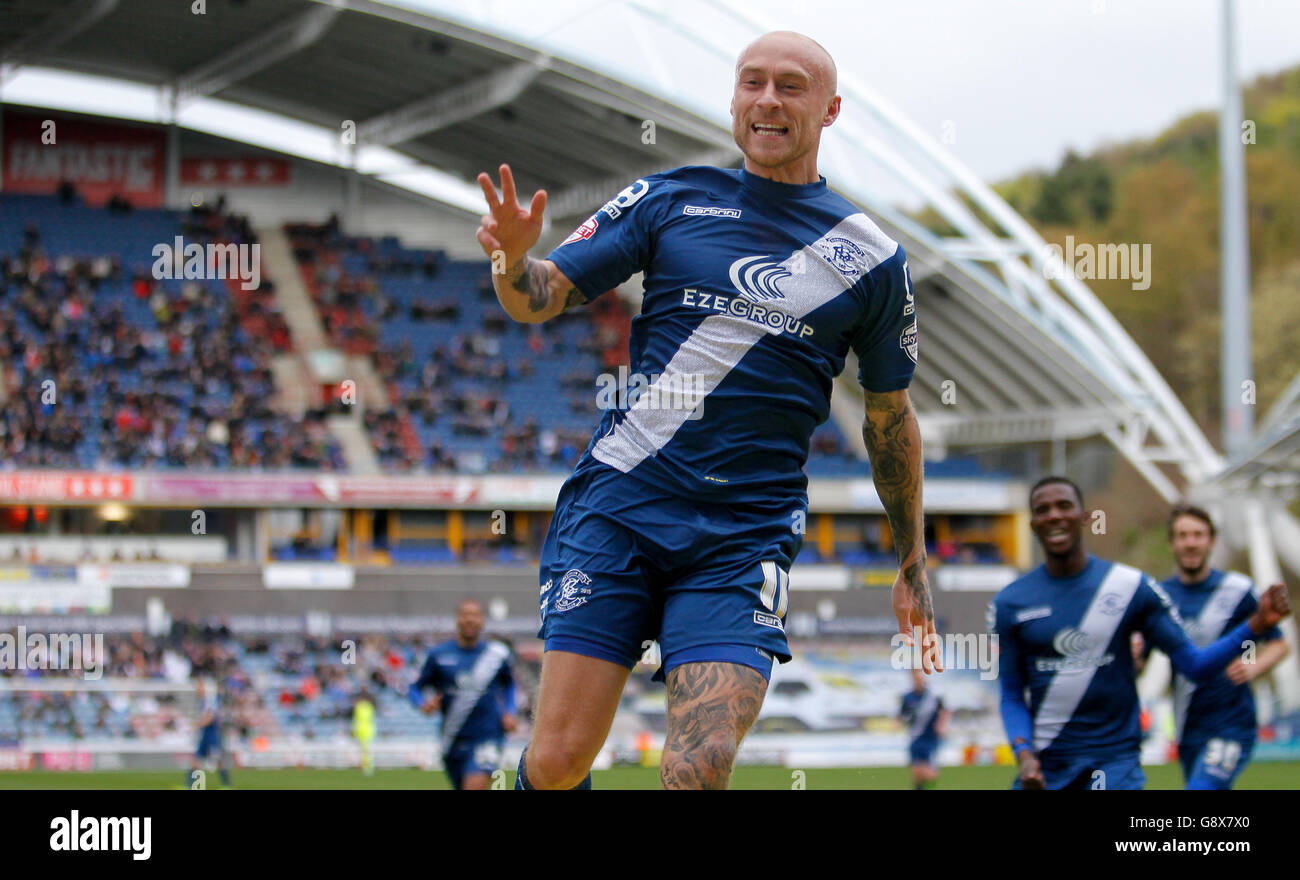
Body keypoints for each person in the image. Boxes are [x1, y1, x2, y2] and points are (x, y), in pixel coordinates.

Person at [476, 29, 939, 791]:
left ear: (830, 110)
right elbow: (541, 296)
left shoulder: (873, 258)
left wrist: (911, 561)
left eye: (790, 86)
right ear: (733, 100)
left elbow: (890, 417)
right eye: (752, 82)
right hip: (620, 506)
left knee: (700, 765)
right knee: (557, 764)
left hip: (743, 532)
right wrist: (511, 259)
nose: (767, 100)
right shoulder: (670, 199)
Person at [989, 477, 1290, 790]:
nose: (1054, 515)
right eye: (1043, 509)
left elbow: (1195, 664)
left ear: (1085, 517)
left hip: (1118, 762)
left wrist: (1256, 631)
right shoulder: (1010, 603)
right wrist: (1023, 752)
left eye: (1064, 506)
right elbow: (1011, 693)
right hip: (1050, 764)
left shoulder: (1132, 587)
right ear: (1032, 524)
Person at [1132, 504, 1290, 789]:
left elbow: (1278, 644)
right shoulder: (1160, 597)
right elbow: (1139, 663)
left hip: (1231, 722)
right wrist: (1132, 657)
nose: (1190, 542)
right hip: (1187, 724)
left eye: (1198, 534)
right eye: (1183, 535)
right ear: (1172, 543)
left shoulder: (1238, 589)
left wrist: (1254, 665)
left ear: (1212, 541)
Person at [409, 600, 518, 790]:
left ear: (482, 621)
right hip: (452, 738)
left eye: (475, 615)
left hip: (488, 736)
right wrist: (422, 704)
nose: (470, 619)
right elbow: (414, 688)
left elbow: (509, 685)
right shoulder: (438, 655)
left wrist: (510, 711)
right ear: (457, 620)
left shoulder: (497, 655)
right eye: (465, 614)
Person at [899, 668, 948, 789]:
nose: (918, 677)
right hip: (915, 737)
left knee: (929, 773)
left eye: (920, 674)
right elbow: (901, 715)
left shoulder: (934, 695)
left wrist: (942, 725)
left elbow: (944, 711)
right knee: (916, 771)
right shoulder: (908, 697)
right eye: (915, 675)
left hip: (931, 738)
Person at [186, 677, 232, 789]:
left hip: (212, 734)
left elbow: (210, 718)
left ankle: (226, 784)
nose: (198, 690)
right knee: (196, 759)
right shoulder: (202, 702)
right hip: (205, 734)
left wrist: (196, 725)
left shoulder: (209, 701)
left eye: (200, 688)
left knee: (218, 760)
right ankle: (189, 785)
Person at [353, 690, 377, 777]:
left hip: (364, 730)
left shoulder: (360, 707)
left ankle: (367, 766)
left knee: (365, 750)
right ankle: (366, 766)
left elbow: (357, 720)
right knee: (365, 750)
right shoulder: (368, 707)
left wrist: (355, 730)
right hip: (366, 730)